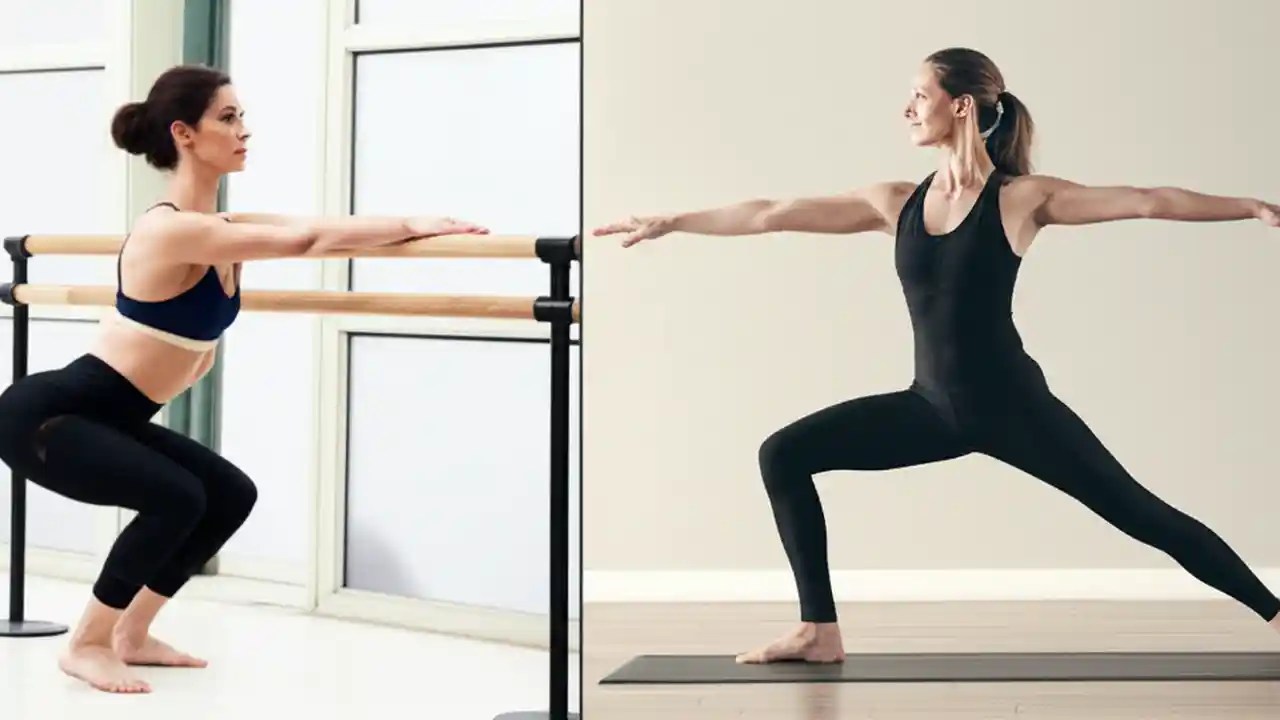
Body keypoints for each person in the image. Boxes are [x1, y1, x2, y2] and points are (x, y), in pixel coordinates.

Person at [594, 47, 1280, 665]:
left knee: (1141, 514)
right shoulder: (896, 201)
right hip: (931, 407)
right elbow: (772, 211)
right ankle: (818, 630)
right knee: (784, 453)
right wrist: (674, 221)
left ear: (961, 106)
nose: (906, 108)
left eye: (918, 95)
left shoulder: (1022, 199)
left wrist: (1250, 206)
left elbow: (1147, 200)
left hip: (1014, 408)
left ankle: (1276, 614)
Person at [0, 64, 487, 693]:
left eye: (242, 116)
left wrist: (415, 224)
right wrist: (412, 223)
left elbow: (310, 227)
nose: (244, 131)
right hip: (48, 418)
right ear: (184, 134)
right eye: (228, 118)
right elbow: (308, 240)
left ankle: (132, 633)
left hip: (110, 416)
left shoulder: (223, 228)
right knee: (177, 496)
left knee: (228, 494)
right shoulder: (171, 229)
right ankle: (88, 643)